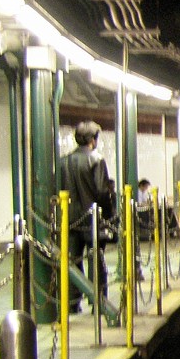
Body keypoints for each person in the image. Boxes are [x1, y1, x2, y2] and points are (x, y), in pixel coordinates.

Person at [57, 120, 115, 311]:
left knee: (72, 263)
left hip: (70, 220)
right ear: (92, 139)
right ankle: (98, 303)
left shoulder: (63, 162)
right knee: (96, 261)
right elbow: (102, 192)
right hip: (92, 220)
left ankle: (73, 304)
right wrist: (110, 215)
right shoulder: (96, 160)